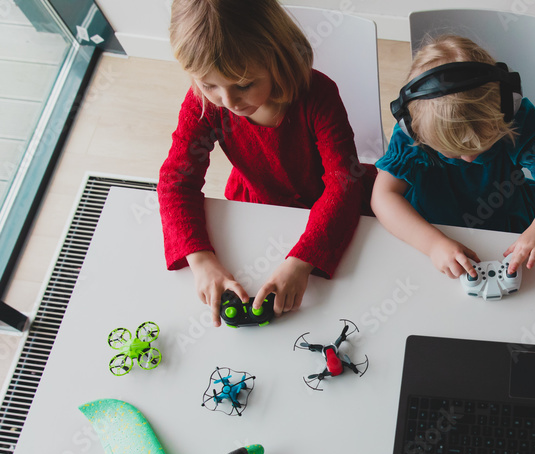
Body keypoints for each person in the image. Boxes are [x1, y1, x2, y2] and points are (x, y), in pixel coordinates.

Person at [159, 0, 375, 326]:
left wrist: (302, 261)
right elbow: (176, 181)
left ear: (277, 56)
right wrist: (201, 259)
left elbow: (343, 182)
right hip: (256, 205)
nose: (228, 102)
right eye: (209, 84)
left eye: (243, 85)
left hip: (333, 209)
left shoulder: (319, 94)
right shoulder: (204, 105)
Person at [371, 35, 535, 278]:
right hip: (430, 227)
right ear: (415, 130)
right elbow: (382, 196)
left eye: (483, 145)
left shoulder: (515, 116)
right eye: (452, 151)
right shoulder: (414, 132)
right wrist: (433, 244)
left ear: (505, 108)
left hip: (506, 223)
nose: (469, 158)